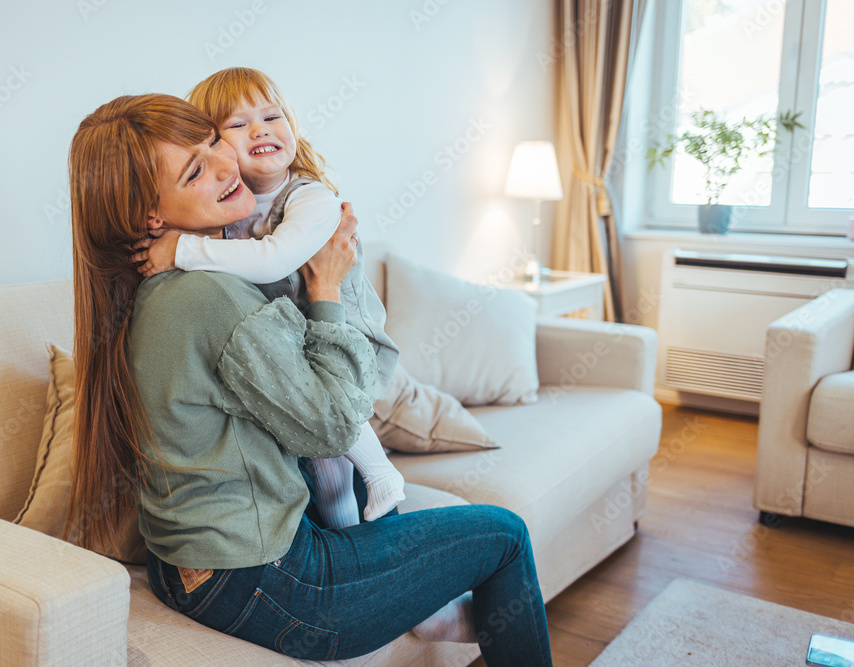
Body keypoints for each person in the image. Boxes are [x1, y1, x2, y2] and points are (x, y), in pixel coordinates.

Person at [65, 92, 552, 665]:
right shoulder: (210, 296)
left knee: (373, 498)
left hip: (184, 570)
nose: (226, 164)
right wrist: (326, 288)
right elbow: (335, 426)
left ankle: (436, 609)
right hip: (263, 579)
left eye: (213, 141)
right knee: (504, 536)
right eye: (195, 171)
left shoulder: (150, 288)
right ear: (150, 216)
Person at [130, 67, 403, 530]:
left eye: (272, 117)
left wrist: (181, 249)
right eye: (237, 125)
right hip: (296, 345)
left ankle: (380, 478)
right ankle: (349, 526)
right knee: (323, 466)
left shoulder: (311, 198)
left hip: (348, 338)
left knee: (336, 438)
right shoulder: (232, 211)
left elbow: (273, 261)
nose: (259, 130)